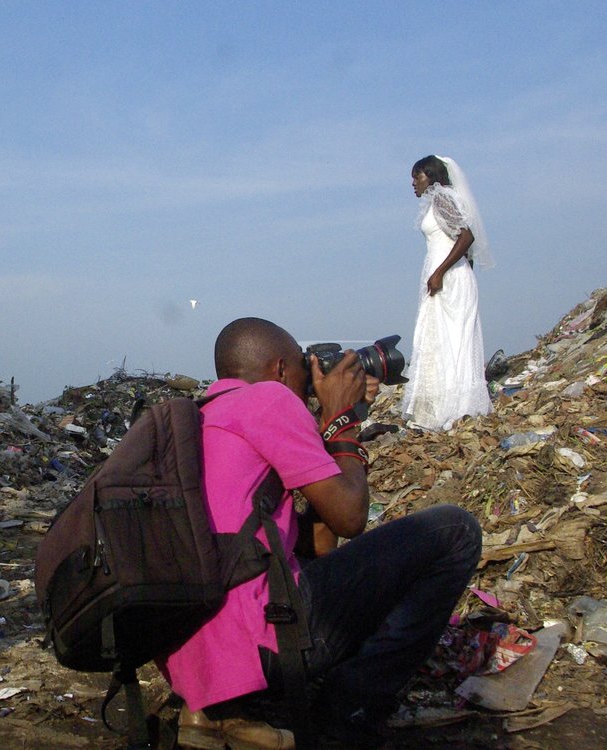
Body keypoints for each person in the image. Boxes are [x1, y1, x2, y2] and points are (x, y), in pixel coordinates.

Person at [163, 317, 480, 749]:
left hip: (193, 660)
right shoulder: (269, 400)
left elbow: (319, 538)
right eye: (302, 368)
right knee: (455, 529)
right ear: (278, 370)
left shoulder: (199, 419)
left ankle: (215, 711)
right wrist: (342, 422)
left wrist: (338, 418)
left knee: (304, 554)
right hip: (258, 647)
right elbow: (350, 517)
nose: (310, 381)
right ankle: (348, 710)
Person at [399, 155, 494, 432]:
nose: (413, 183)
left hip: (449, 278)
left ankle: (455, 408)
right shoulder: (437, 201)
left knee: (452, 339)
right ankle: (437, 409)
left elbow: (466, 237)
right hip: (448, 276)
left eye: (417, 176)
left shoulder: (442, 198)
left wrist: (441, 272)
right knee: (438, 339)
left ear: (431, 175)